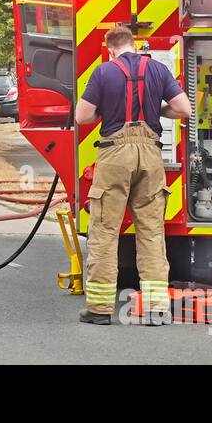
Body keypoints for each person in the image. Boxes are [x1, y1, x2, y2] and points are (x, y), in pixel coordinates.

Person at [73, 25, 192, 325]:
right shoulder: (158, 69)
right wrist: (159, 111)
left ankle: (100, 309)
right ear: (134, 45)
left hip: (114, 154)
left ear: (110, 50)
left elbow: (82, 116)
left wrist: (104, 111)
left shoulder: (103, 72)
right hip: (151, 154)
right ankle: (156, 308)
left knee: (105, 232)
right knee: (151, 232)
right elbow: (184, 109)